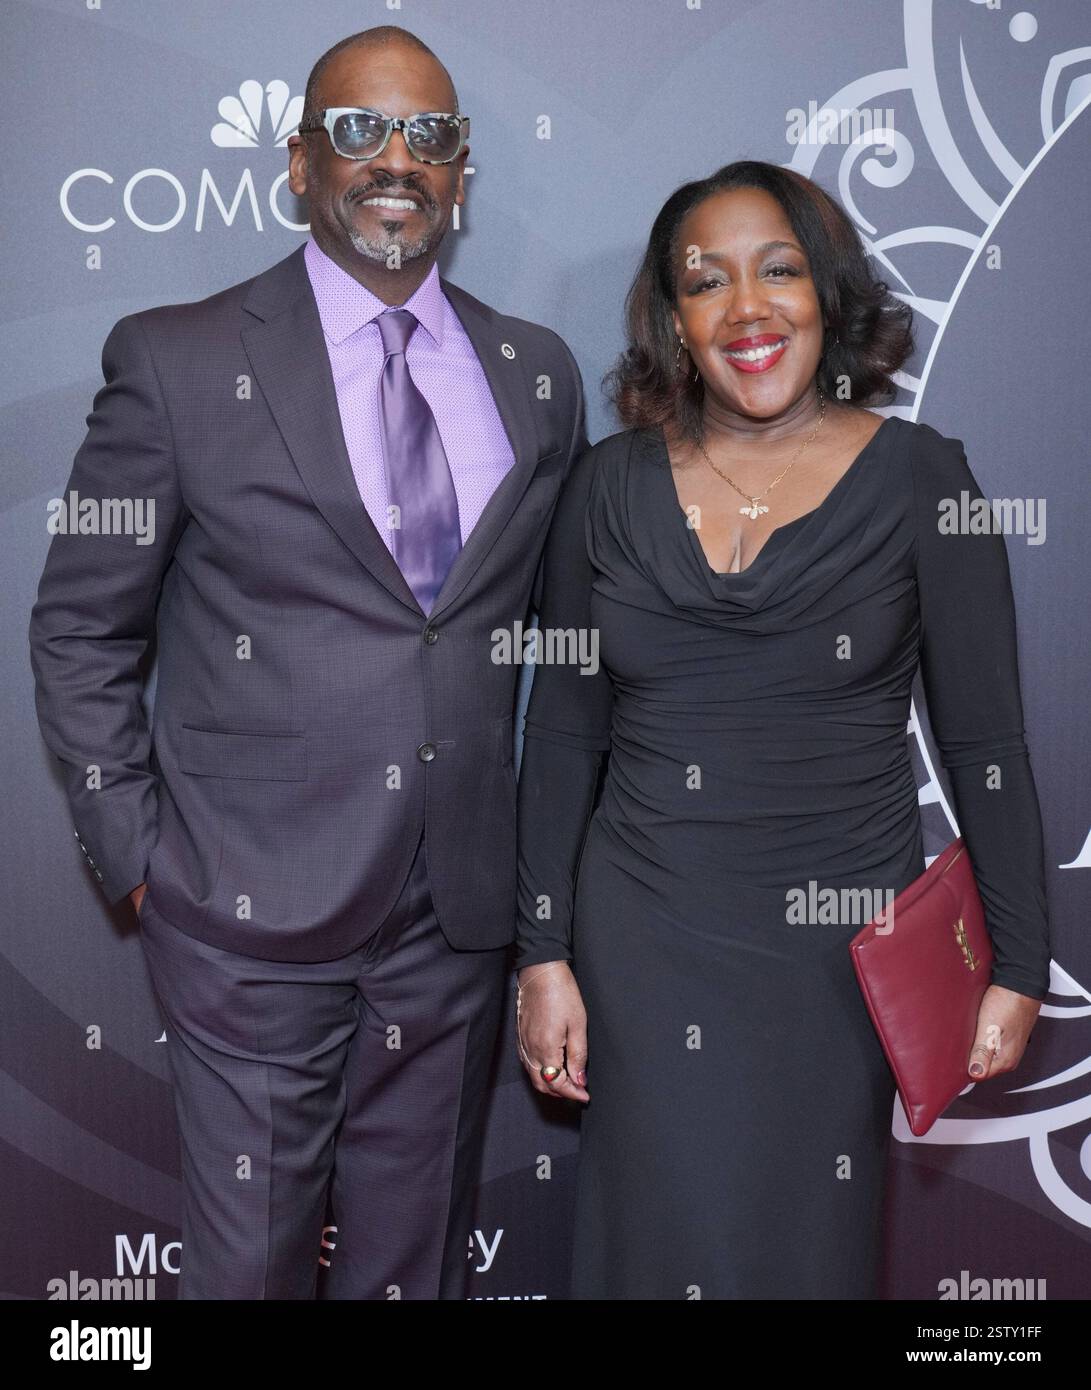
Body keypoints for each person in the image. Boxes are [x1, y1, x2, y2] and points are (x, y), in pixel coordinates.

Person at [28, 25, 587, 1299]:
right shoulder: (174, 360)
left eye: (429, 137)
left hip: (453, 914)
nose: (396, 158)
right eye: (359, 130)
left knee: (411, 1265)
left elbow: (549, 654)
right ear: (297, 165)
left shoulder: (535, 378)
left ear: (458, 174)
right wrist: (141, 859)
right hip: (242, 914)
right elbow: (79, 623)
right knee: (253, 1266)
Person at [513, 160, 1050, 1300]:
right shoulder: (602, 489)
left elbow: (985, 745)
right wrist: (543, 951)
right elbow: (562, 735)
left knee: (802, 1257)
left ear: (827, 294)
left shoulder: (922, 478)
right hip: (644, 938)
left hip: (833, 951)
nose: (746, 308)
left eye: (779, 271)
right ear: (671, 319)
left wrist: (1015, 961)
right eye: (705, 282)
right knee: (655, 1250)